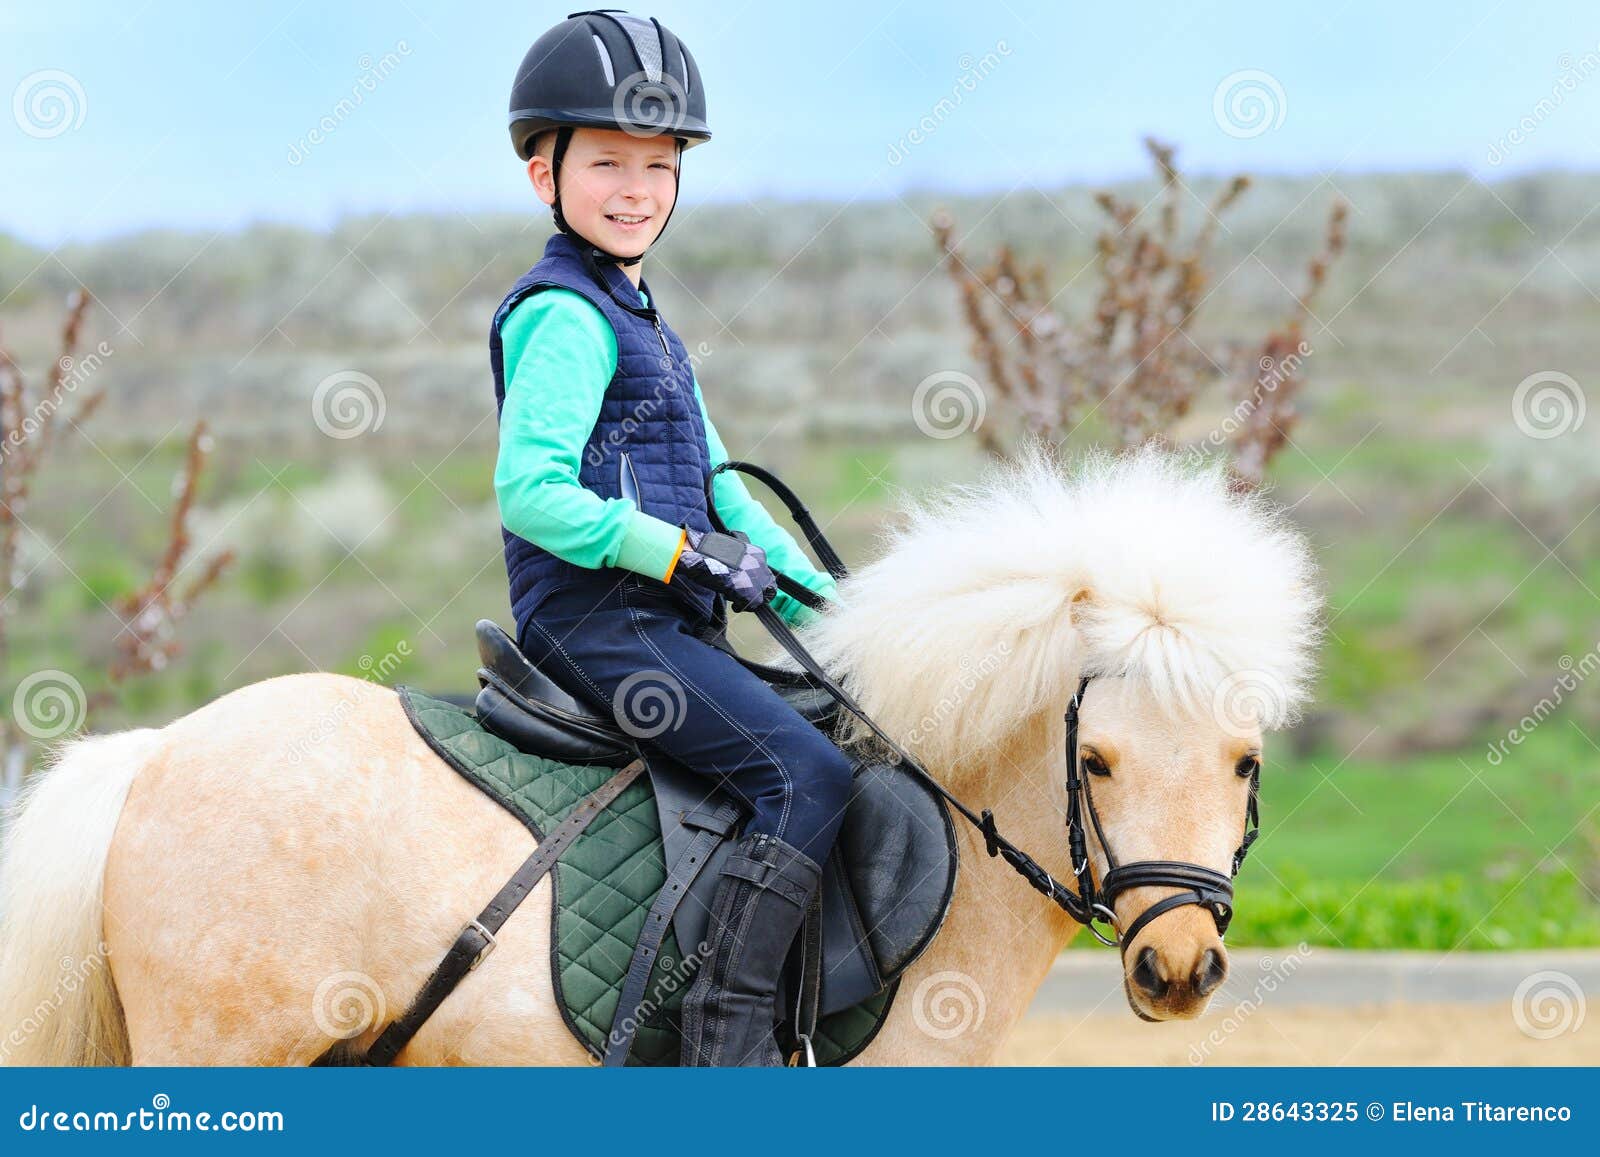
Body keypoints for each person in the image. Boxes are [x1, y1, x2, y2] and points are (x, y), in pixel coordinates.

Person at [490, 10, 854, 1066]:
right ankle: (726, 1036)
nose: (636, 187)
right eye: (605, 161)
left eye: (659, 164)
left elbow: (729, 500)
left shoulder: (649, 324)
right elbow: (531, 492)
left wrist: (827, 603)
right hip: (601, 622)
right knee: (807, 774)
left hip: (666, 619)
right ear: (541, 173)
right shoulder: (564, 313)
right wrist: (676, 552)